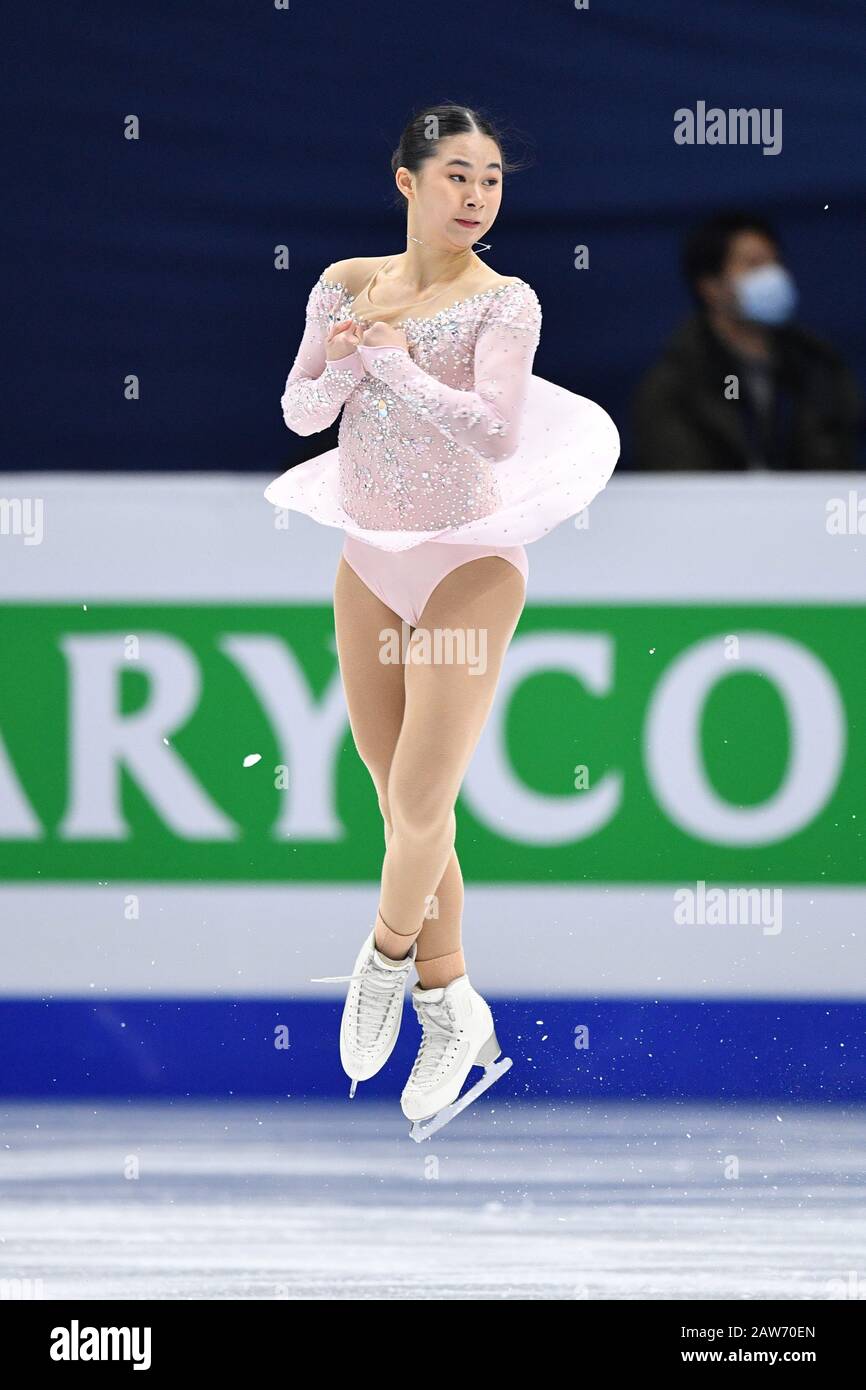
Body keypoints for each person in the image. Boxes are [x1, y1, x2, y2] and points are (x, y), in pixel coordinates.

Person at [264, 103, 619, 1137]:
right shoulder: (343, 281)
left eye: (492, 179)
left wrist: (398, 366)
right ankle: (451, 1003)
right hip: (367, 564)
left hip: (466, 564)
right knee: (398, 811)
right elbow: (297, 414)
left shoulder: (501, 301)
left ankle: (382, 962)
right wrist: (337, 353)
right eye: (456, 175)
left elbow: (499, 431)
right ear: (407, 181)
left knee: (422, 800)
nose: (476, 196)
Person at [631, 209, 864, 471]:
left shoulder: (818, 368)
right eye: (754, 265)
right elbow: (682, 484)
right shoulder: (675, 385)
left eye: (774, 262)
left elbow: (836, 468)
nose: (773, 276)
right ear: (710, 286)